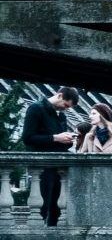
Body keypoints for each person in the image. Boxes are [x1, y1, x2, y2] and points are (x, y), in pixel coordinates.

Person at [19, 87, 79, 226]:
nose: (66, 109)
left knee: (57, 209)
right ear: (59, 96)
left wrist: (68, 140)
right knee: (42, 205)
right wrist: (55, 138)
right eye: (66, 105)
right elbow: (28, 138)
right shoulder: (35, 108)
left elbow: (59, 143)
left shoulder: (61, 115)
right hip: (42, 166)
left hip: (57, 166)